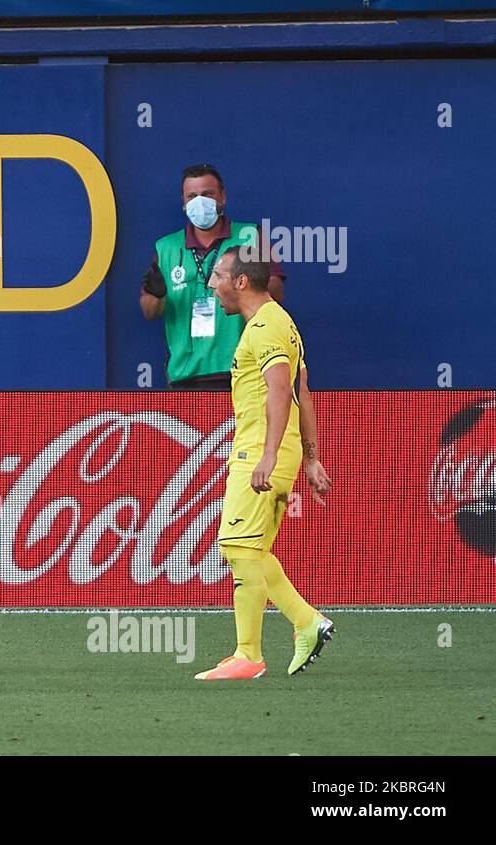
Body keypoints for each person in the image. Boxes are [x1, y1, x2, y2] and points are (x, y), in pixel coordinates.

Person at [194, 246, 334, 680]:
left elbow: (280, 391)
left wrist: (271, 455)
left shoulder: (266, 326)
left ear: (241, 282)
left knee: (237, 547)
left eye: (217, 276)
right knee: (250, 548)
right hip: (272, 446)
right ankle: (306, 623)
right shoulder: (278, 323)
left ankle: (249, 654)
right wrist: (310, 457)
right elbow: (302, 393)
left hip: (261, 448)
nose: (211, 284)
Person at [140, 164, 285, 390]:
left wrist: (244, 283)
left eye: (208, 194)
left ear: (223, 197)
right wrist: (157, 296)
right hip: (186, 374)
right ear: (184, 203)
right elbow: (149, 312)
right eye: (192, 196)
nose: (200, 202)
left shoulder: (249, 235)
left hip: (243, 370)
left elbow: (275, 294)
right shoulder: (166, 247)